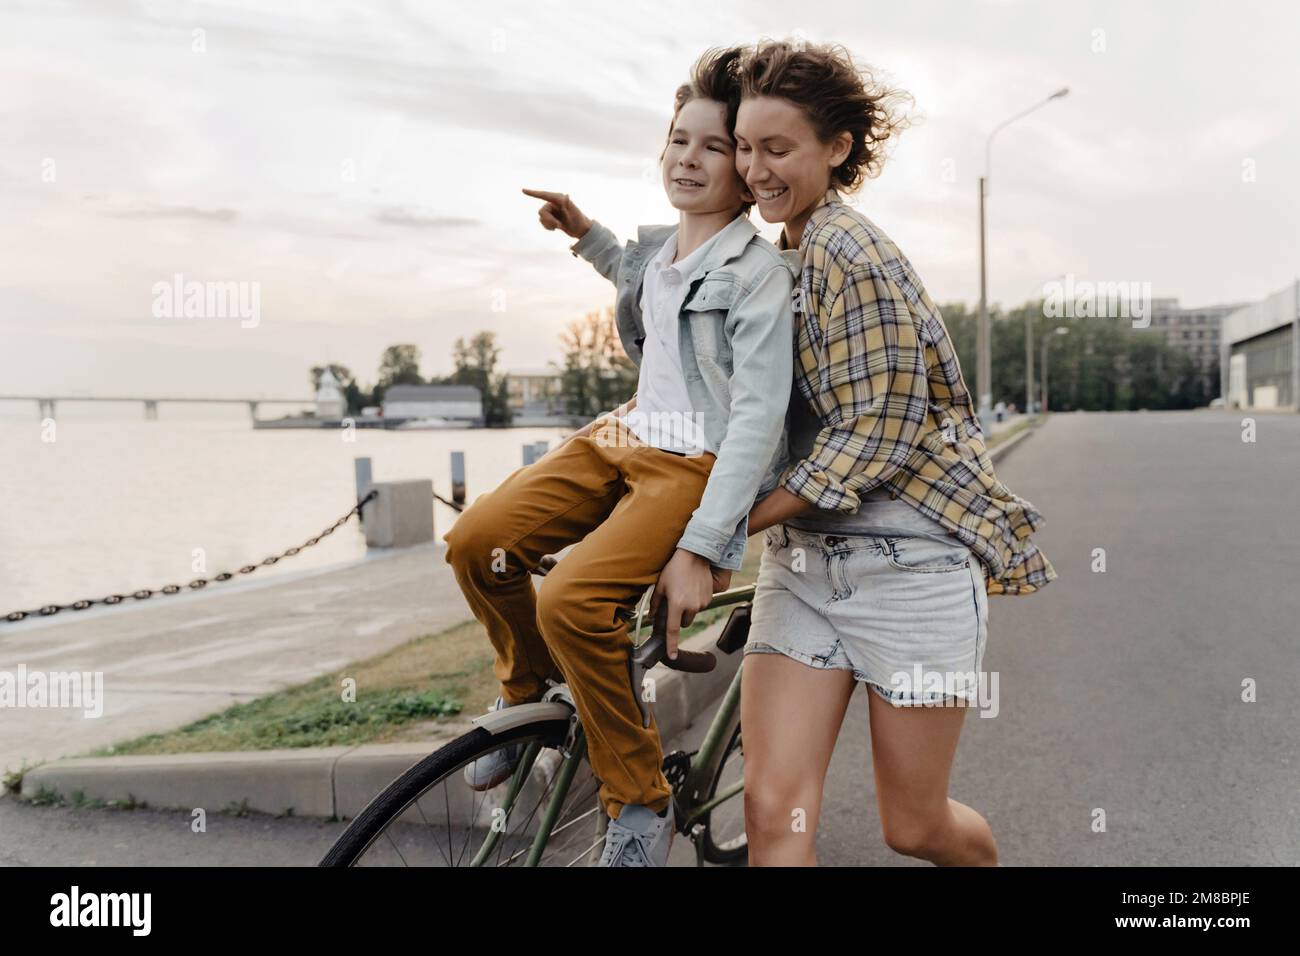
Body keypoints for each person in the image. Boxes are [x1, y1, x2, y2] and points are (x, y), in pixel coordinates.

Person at [442, 47, 795, 867]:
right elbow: (631, 274)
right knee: (475, 542)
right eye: (678, 140)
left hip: (694, 461)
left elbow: (755, 418)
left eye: (713, 146)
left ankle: (638, 799)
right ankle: (528, 694)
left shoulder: (757, 277)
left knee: (571, 602)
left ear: (745, 172)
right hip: (621, 433)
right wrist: (581, 233)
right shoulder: (658, 252)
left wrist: (707, 544)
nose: (687, 157)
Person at [732, 39, 1058, 866]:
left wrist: (732, 526)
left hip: (908, 569)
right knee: (775, 819)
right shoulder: (781, 256)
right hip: (803, 570)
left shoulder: (852, 252)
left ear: (836, 150)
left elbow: (877, 432)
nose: (755, 167)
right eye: (744, 145)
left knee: (914, 828)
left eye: (778, 148)